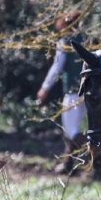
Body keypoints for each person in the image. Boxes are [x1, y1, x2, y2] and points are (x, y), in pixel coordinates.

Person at [36, 11, 86, 172]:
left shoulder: (65, 42)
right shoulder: (87, 40)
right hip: (89, 91)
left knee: (71, 130)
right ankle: (69, 163)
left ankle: (89, 162)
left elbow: (57, 68)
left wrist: (44, 88)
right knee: (77, 128)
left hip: (72, 91)